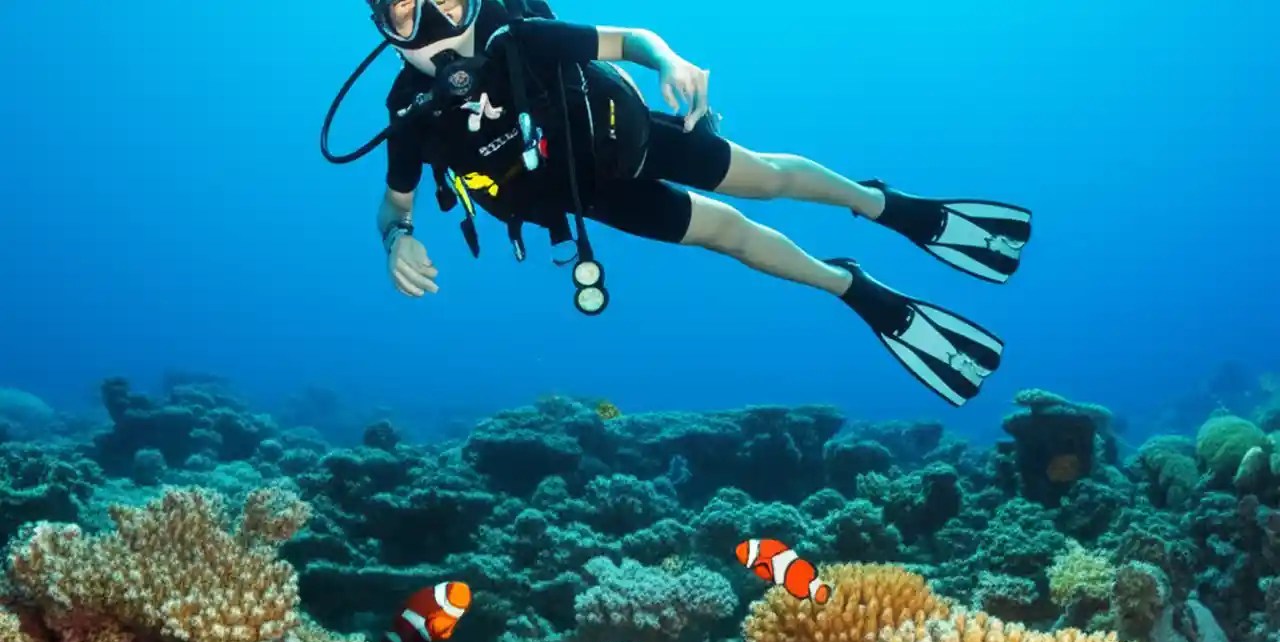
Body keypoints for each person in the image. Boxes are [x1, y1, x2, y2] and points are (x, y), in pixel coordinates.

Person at [335, 0, 1033, 407]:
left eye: (448, 1)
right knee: (727, 233)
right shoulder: (410, 114)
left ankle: (881, 204)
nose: (433, 23)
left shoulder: (523, 37)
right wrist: (397, 242)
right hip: (595, 200)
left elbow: (630, 40)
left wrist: (670, 62)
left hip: (633, 139)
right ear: (383, 27)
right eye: (404, 10)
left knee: (765, 178)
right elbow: (395, 207)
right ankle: (852, 286)